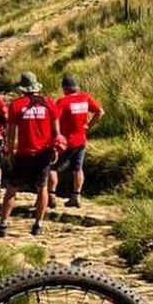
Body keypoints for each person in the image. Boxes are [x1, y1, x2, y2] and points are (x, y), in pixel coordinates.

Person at [0, 72, 62, 238]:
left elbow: (12, 133)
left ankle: (3, 224)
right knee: (42, 187)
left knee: (12, 188)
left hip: (24, 153)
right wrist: (55, 149)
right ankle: (38, 224)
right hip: (44, 152)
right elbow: (57, 132)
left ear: (22, 88)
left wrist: (10, 151)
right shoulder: (49, 103)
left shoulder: (17, 105)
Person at [50, 75, 103, 208]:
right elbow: (100, 112)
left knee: (53, 167)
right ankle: (76, 196)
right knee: (77, 169)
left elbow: (54, 119)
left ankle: (51, 196)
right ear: (76, 87)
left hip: (66, 142)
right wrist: (88, 126)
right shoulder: (85, 98)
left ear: (65, 88)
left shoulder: (62, 102)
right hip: (81, 141)